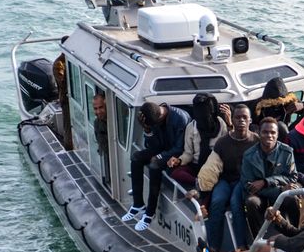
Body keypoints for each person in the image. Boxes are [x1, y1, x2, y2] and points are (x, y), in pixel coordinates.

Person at [186, 104, 258, 251]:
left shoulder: (256, 141)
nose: (241, 120)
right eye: (237, 117)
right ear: (232, 119)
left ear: (250, 120)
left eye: (245, 117)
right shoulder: (223, 142)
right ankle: (214, 247)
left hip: (243, 181)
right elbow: (211, 168)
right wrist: (199, 188)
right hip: (225, 179)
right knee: (217, 201)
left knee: (235, 203)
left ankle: (241, 246)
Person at [124, 101, 189, 232]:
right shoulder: (153, 117)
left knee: (154, 165)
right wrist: (147, 131)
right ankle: (138, 204)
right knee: (136, 157)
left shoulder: (180, 119)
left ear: (159, 118)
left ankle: (150, 212)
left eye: (153, 125)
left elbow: (179, 148)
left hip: (175, 154)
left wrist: (159, 157)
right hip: (162, 149)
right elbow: (152, 146)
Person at [239, 118, 301, 241]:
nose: (269, 135)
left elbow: (293, 177)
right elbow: (248, 186)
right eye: (265, 132)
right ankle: (258, 240)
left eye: (273, 132)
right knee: (251, 202)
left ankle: (295, 235)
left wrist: (266, 182)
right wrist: (279, 190)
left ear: (277, 134)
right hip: (261, 196)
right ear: (259, 133)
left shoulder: (287, 152)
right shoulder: (249, 155)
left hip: (278, 192)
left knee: (293, 198)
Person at [168, 93, 229, 190]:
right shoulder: (191, 127)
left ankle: (205, 186)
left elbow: (227, 146)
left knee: (216, 181)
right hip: (196, 165)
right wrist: (178, 160)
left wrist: (230, 123)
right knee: (175, 173)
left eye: (206, 116)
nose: (203, 119)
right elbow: (188, 154)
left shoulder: (222, 124)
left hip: (213, 167)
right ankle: (198, 183)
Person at [253, 76, 303, 141]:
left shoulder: (288, 102)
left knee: (281, 125)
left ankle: (289, 142)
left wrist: (302, 105)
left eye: (280, 102)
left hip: (284, 134)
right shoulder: (258, 106)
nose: (278, 104)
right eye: (275, 102)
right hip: (265, 134)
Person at [92, 93, 109, 182]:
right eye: (95, 109)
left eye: (101, 107)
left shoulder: (116, 120)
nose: (98, 112)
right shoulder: (97, 123)